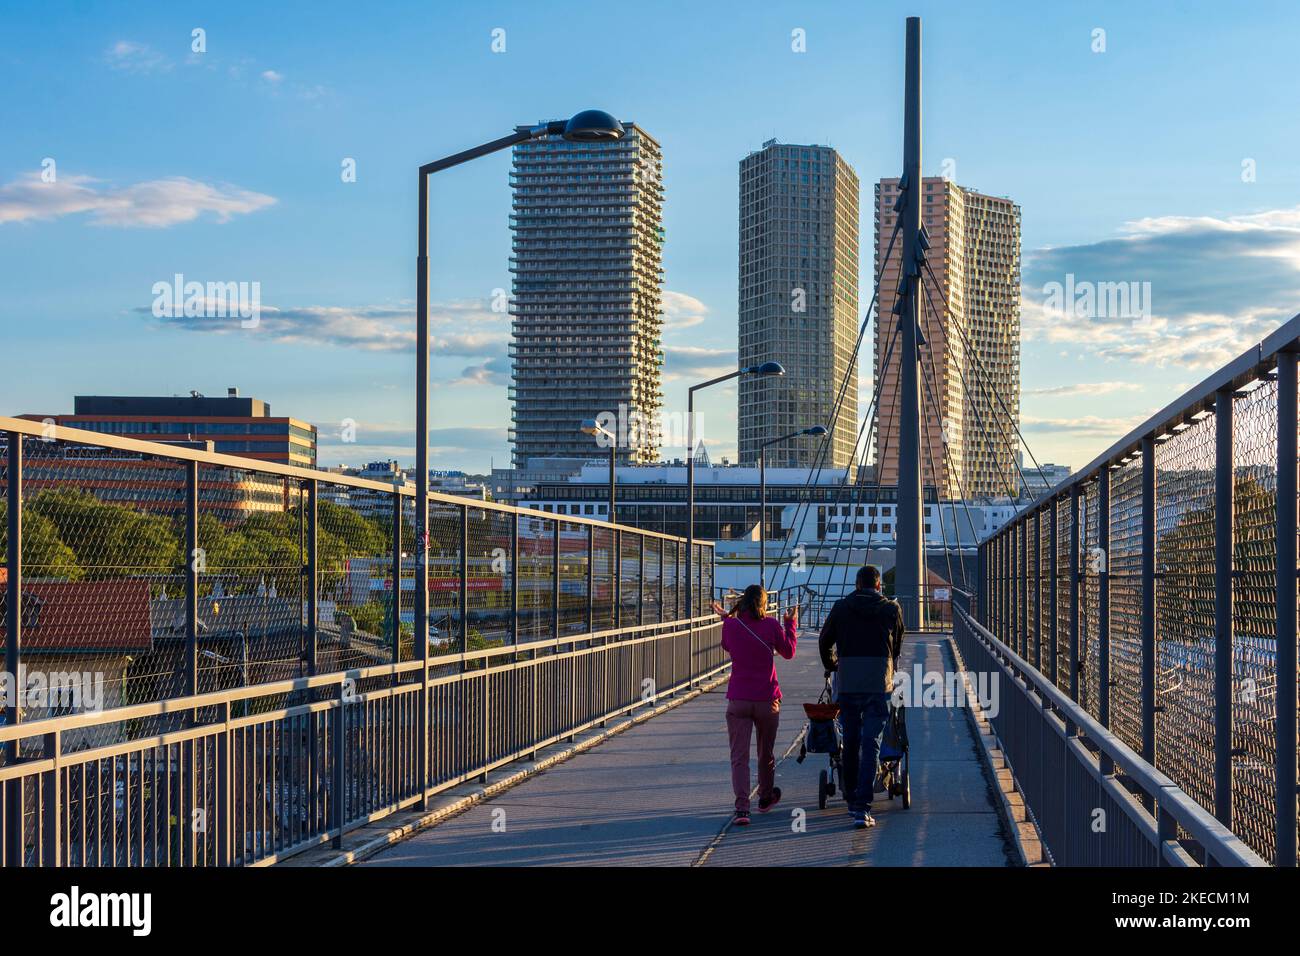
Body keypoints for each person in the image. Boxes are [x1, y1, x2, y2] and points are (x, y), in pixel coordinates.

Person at [817, 566, 904, 829]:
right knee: (872, 742)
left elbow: (824, 640)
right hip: (879, 681)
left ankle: (851, 797)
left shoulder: (841, 607)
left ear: (857, 585)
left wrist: (833, 663)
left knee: (851, 739)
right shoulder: (891, 609)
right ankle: (864, 808)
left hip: (849, 682)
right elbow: (897, 644)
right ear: (879, 586)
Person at [710, 585, 797, 827]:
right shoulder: (771, 625)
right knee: (765, 753)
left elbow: (728, 645)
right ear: (764, 604)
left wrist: (727, 618)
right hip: (767, 699)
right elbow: (788, 651)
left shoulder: (732, 625)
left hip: (739, 699)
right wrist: (790, 624)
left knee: (739, 756)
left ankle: (742, 809)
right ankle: (765, 797)